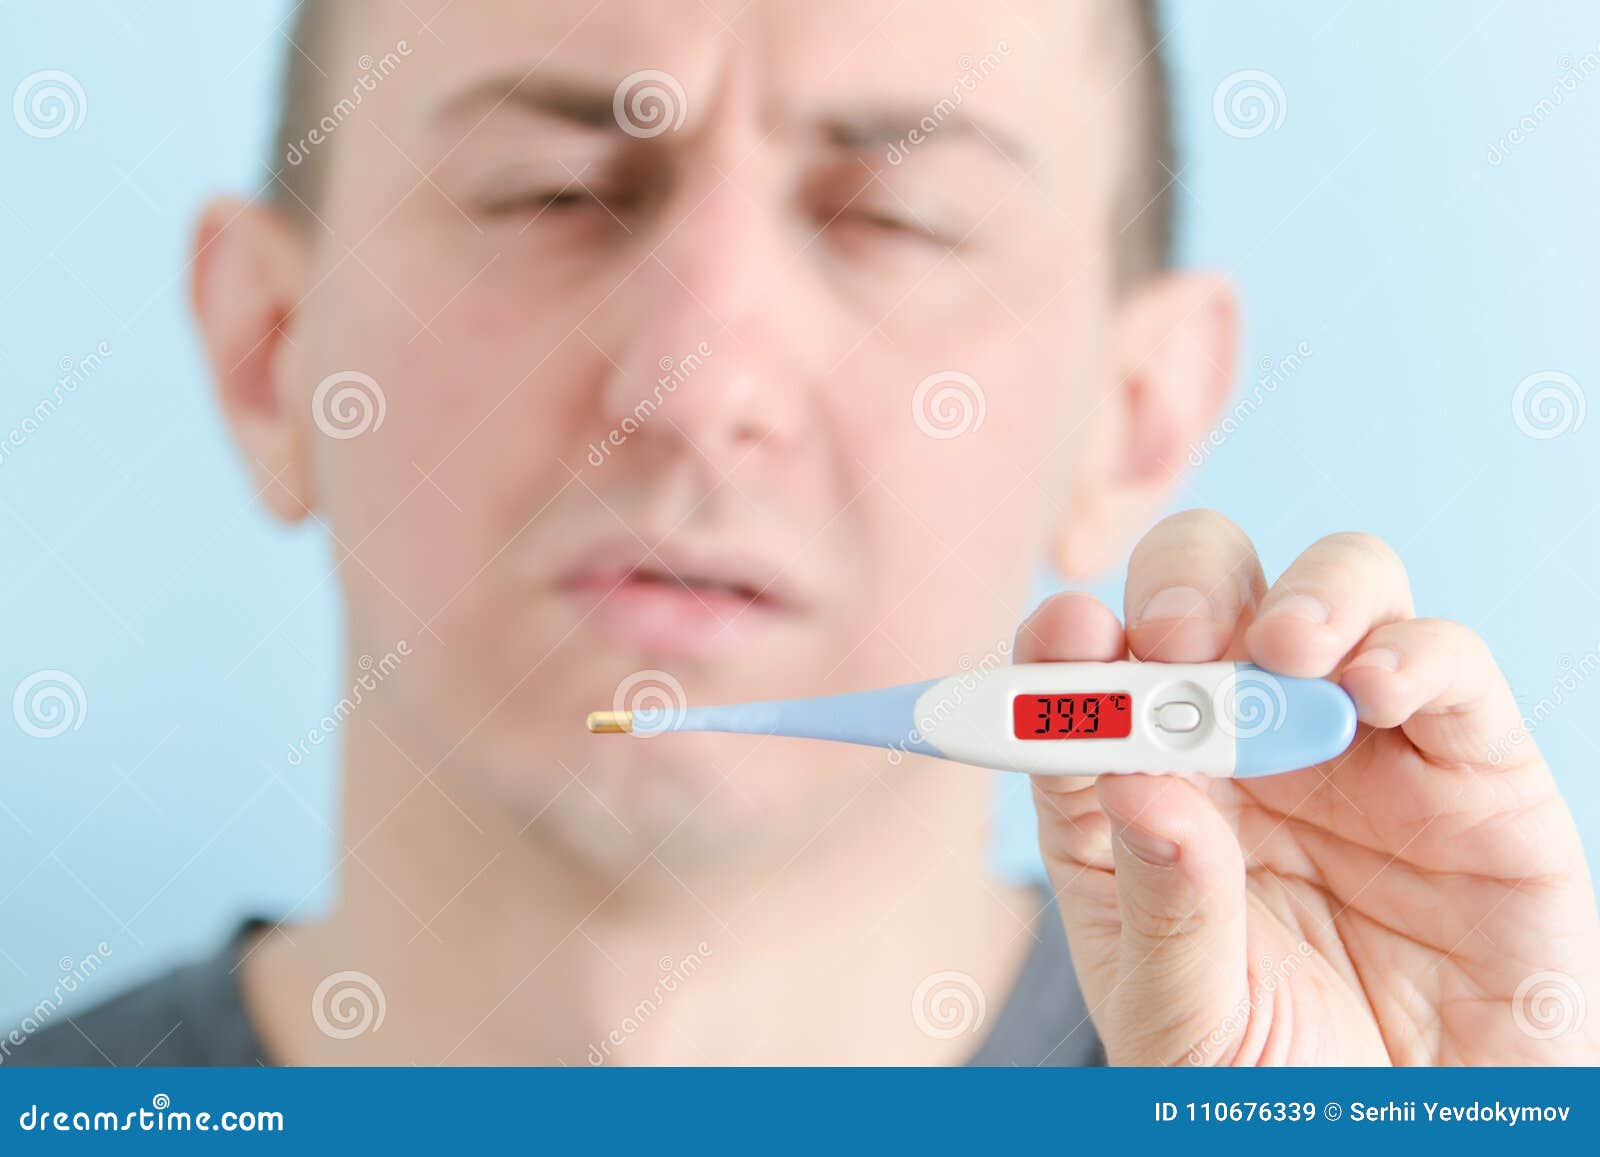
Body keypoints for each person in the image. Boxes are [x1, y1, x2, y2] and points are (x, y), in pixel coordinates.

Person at [14, 0, 1599, 1067]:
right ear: (266, 352)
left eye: (898, 219)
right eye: (550, 190)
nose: (696, 387)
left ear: (1138, 415)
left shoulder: (1328, 1091)